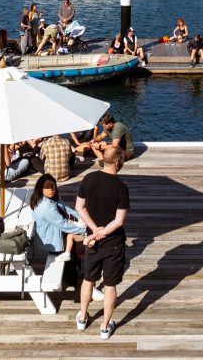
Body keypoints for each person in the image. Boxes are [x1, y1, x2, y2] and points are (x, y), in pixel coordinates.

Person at [75, 146, 129, 341]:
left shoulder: (88, 179)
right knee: (110, 285)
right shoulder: (121, 187)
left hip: (92, 242)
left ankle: (82, 317)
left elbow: (79, 207)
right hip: (113, 242)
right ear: (117, 163)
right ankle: (105, 327)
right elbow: (119, 221)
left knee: (88, 279)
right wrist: (102, 232)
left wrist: (94, 230)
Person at [31, 174, 88, 262]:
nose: (51, 189)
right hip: (52, 241)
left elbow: (67, 209)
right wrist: (86, 231)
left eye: (52, 185)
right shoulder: (46, 207)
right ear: (41, 189)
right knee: (87, 243)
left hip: (58, 230)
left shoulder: (52, 198)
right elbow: (63, 224)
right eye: (47, 187)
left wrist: (82, 216)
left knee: (82, 232)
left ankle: (73, 266)